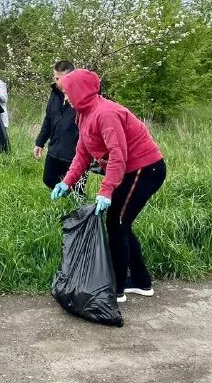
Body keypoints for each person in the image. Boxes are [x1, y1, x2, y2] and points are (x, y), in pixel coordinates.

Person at [51, 69, 166, 303]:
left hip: (145, 169)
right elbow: (82, 153)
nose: (66, 98)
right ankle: (142, 282)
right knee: (120, 224)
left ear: (80, 92)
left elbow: (117, 155)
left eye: (69, 93)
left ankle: (119, 288)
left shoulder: (106, 113)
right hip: (130, 170)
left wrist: (106, 190)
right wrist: (67, 181)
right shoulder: (84, 113)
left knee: (117, 224)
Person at [34, 60, 86, 194]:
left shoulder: (83, 95)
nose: (59, 82)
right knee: (48, 179)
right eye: (56, 78)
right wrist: (40, 142)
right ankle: (63, 198)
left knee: (76, 190)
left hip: (75, 153)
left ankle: (78, 209)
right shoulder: (55, 93)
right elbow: (48, 118)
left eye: (62, 78)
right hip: (55, 148)